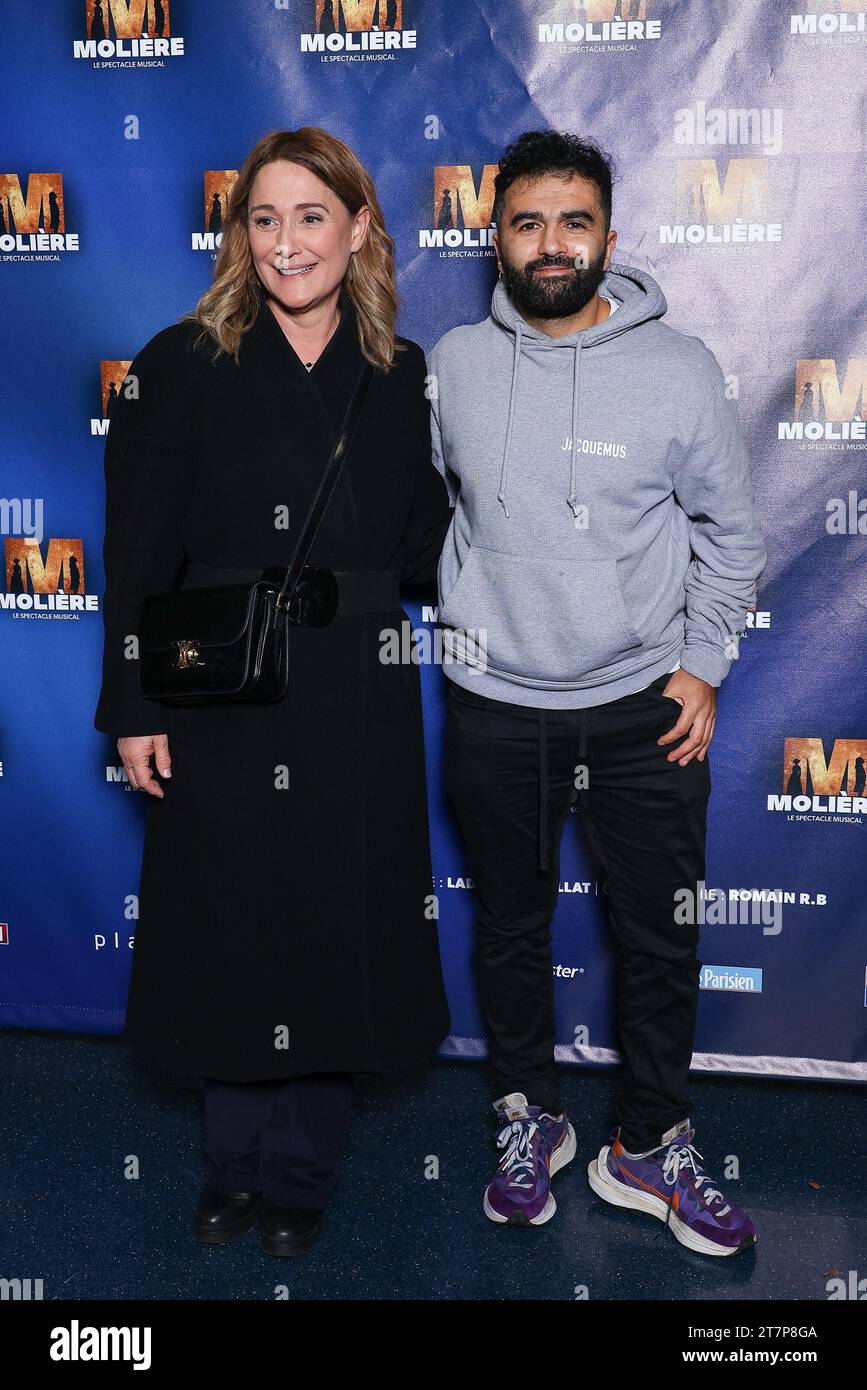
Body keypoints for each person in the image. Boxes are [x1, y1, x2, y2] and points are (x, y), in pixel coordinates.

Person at [94, 127, 453, 1257]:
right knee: (229, 923)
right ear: (239, 236)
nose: (288, 242)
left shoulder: (403, 375)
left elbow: (422, 546)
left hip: (354, 694)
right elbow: (136, 555)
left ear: (358, 229)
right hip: (219, 693)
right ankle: (233, 1162)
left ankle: (301, 1168)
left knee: (332, 923)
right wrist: (135, 705)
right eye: (265, 219)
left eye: (311, 216)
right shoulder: (179, 362)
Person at [428, 129, 767, 1255]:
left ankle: (649, 1142)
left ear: (609, 238)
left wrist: (703, 661)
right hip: (495, 702)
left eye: (575, 221)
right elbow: (432, 508)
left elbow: (734, 534)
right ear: (496, 238)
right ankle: (530, 1116)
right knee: (513, 930)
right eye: (527, 221)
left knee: (662, 935)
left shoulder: (678, 368)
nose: (551, 243)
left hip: (638, 707)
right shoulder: (456, 367)